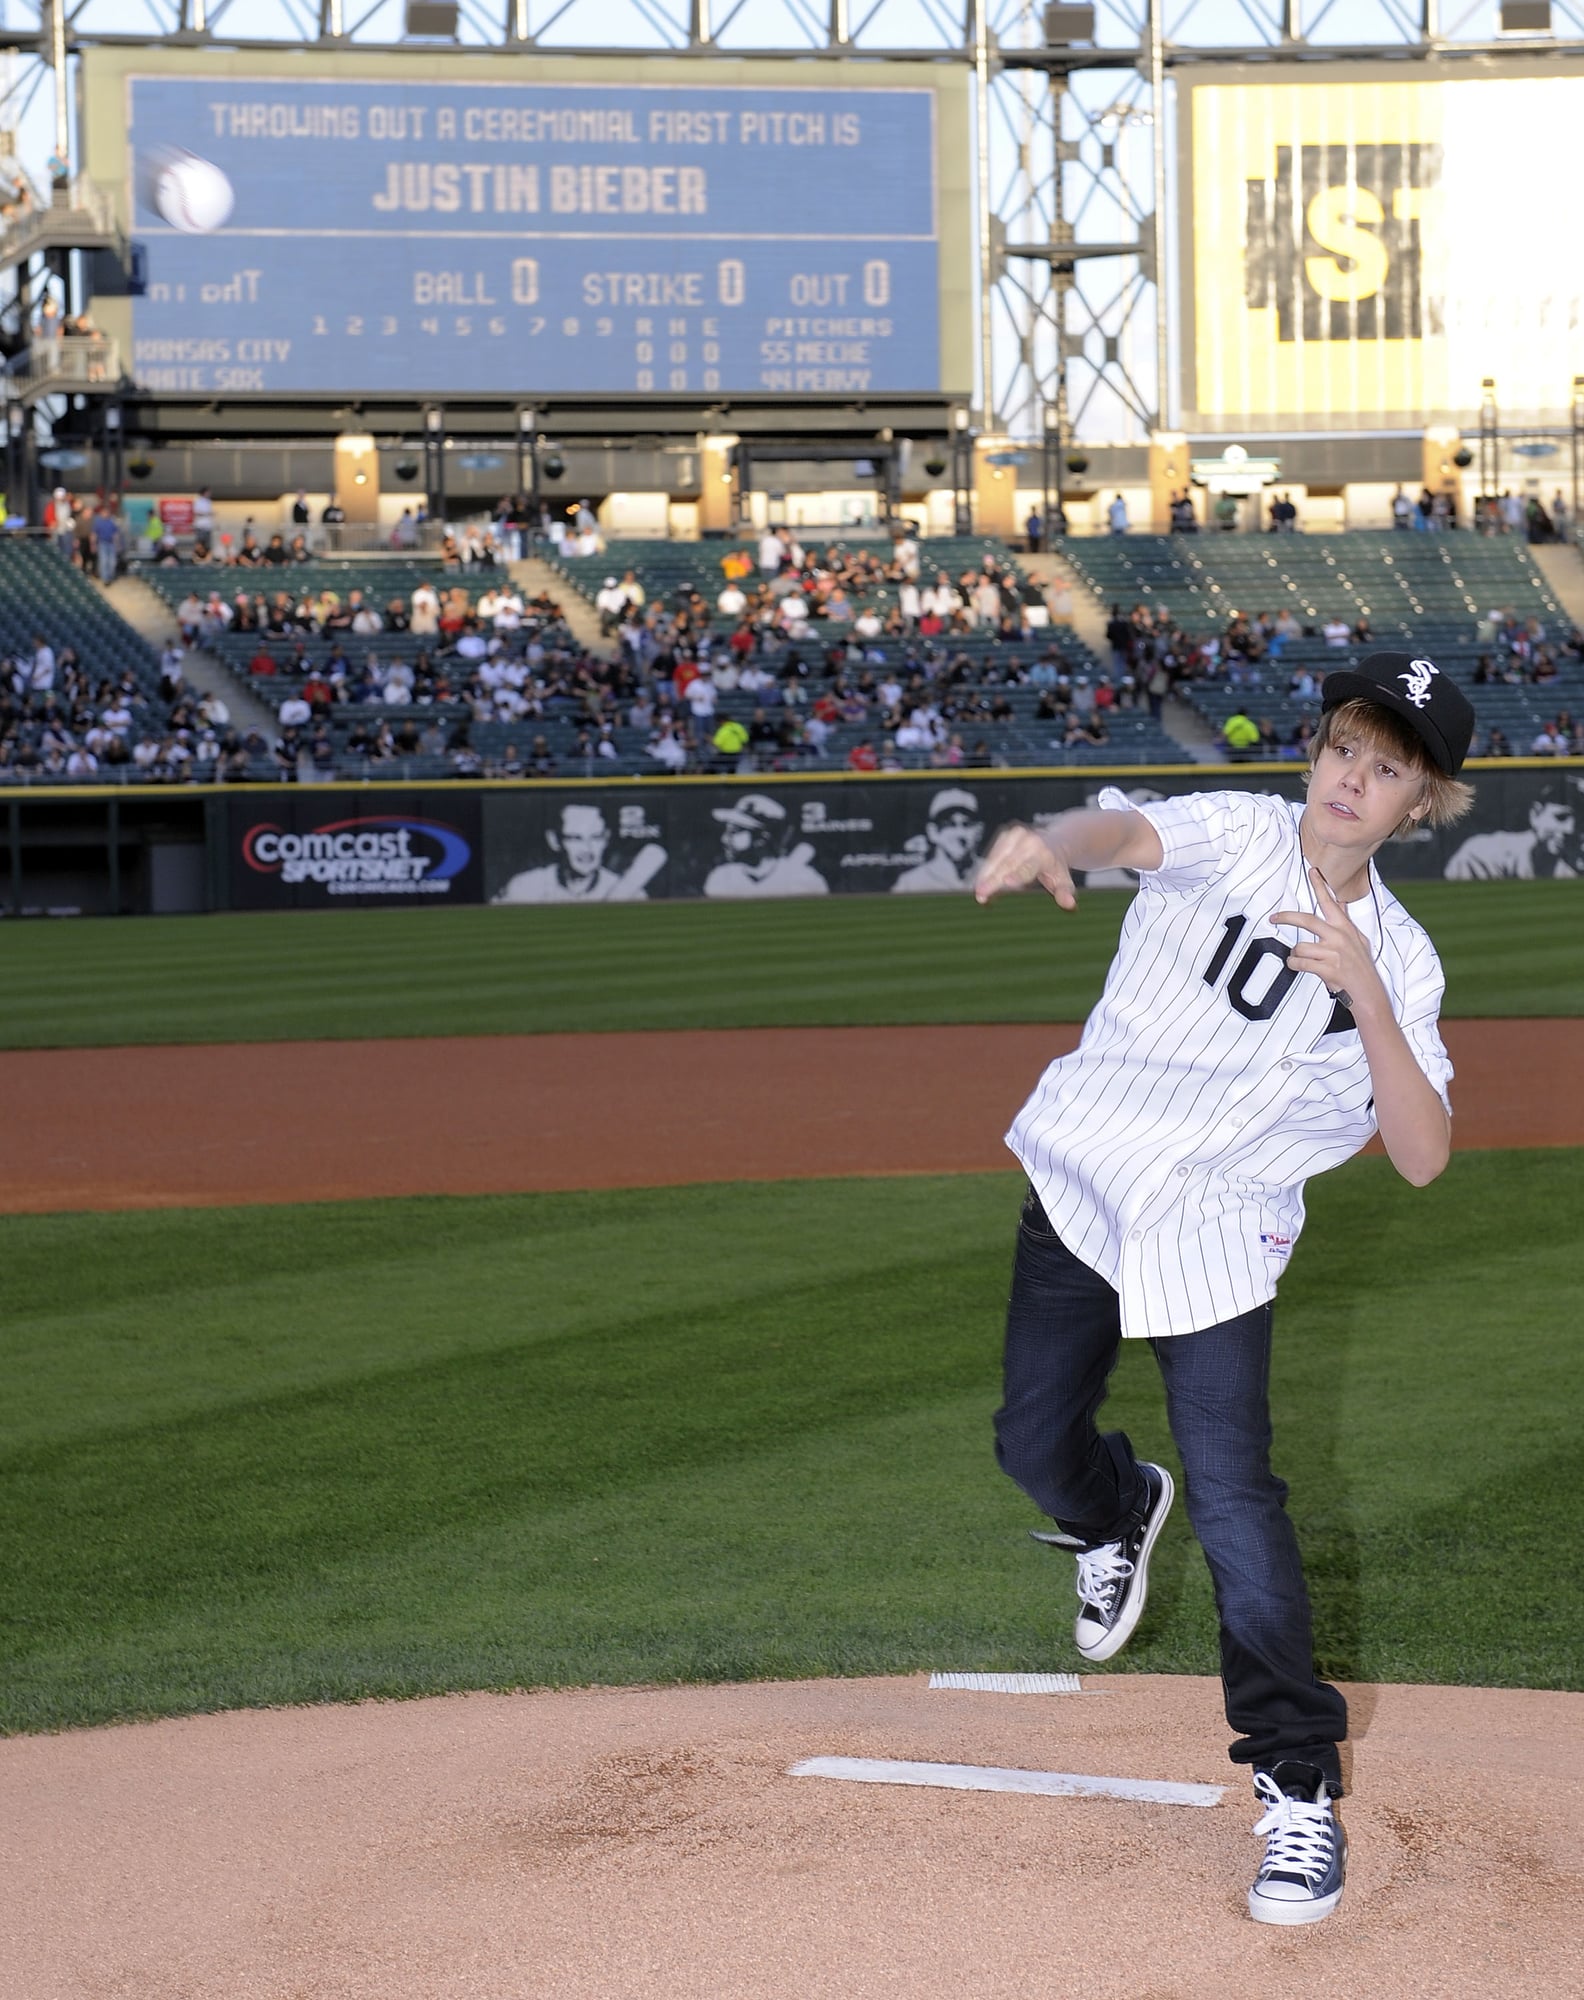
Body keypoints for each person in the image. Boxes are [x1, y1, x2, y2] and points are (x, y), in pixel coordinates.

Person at [973, 652, 1477, 1926]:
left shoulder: (1404, 964)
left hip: (1217, 1237)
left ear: (1423, 802)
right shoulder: (1236, 835)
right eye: (1343, 751)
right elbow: (1127, 826)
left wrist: (1361, 985)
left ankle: (1296, 1790)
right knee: (1029, 1435)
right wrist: (1055, 840)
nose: (1353, 780)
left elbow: (1422, 1156)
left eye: (1389, 768)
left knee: (1242, 1503)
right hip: (1089, 1182)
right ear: (1314, 754)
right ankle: (1111, 1506)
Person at [492, 802, 659, 903]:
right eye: (575, 838)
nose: (587, 850)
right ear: (555, 841)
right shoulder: (524, 886)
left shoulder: (632, 895)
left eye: (595, 838)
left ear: (606, 839)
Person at [892, 787, 984, 892]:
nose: (959, 833)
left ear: (979, 830)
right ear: (933, 832)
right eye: (950, 825)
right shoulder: (909, 882)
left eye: (966, 824)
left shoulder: (995, 873)